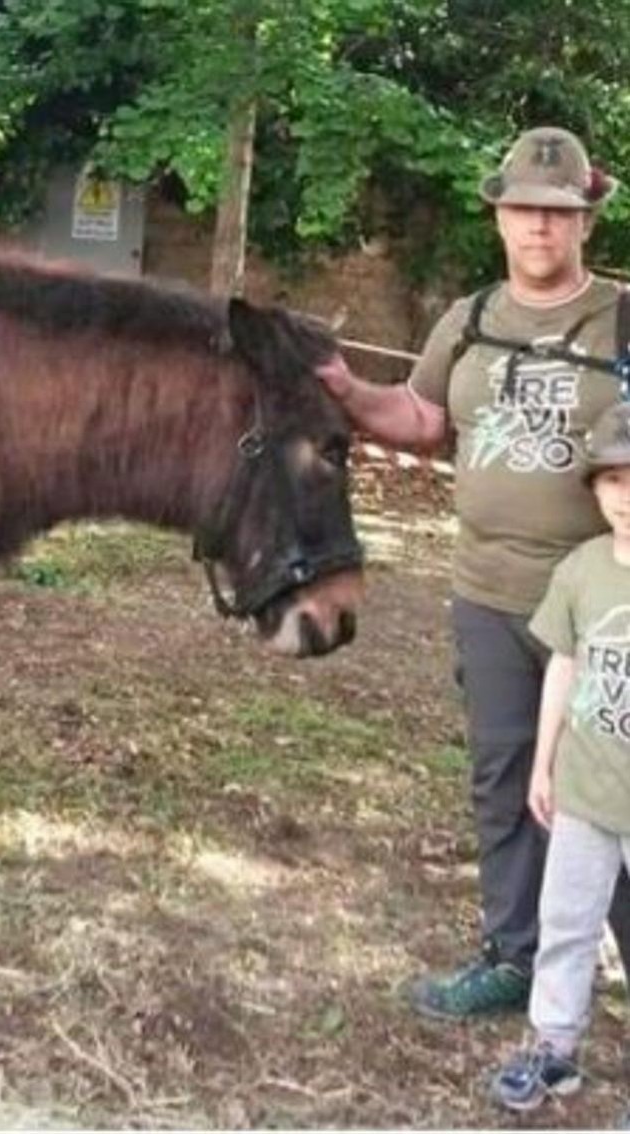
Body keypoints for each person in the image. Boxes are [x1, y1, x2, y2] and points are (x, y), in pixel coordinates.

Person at [316, 125, 630, 1018]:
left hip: (609, 603)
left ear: (585, 222)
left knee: (615, 782)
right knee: (502, 774)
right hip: (488, 596)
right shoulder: (471, 319)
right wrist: (341, 387)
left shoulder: (626, 318)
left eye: (559, 213)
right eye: (526, 211)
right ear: (500, 218)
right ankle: (513, 955)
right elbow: (420, 417)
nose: (541, 227)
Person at [490, 400, 630, 1111]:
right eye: (613, 480)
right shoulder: (581, 570)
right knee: (568, 923)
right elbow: (563, 670)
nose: (627, 497)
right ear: (595, 489)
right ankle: (554, 1047)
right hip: (584, 789)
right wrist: (543, 764)